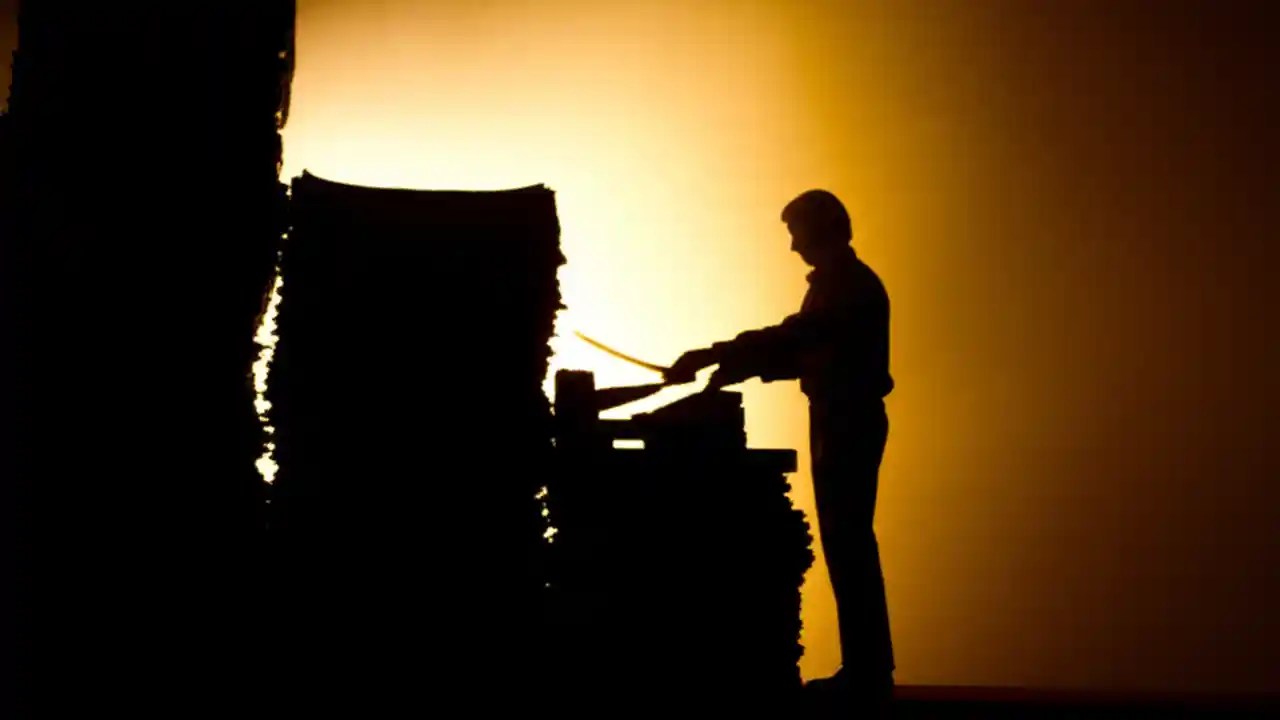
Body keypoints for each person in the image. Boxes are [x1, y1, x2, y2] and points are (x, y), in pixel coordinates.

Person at [665, 189, 894, 710]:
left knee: (849, 541)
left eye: (796, 233)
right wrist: (734, 367)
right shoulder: (842, 285)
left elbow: (801, 337)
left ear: (818, 230)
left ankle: (868, 673)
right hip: (839, 416)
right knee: (846, 542)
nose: (793, 247)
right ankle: (866, 669)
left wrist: (713, 354)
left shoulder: (846, 286)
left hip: (847, 419)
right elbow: (809, 351)